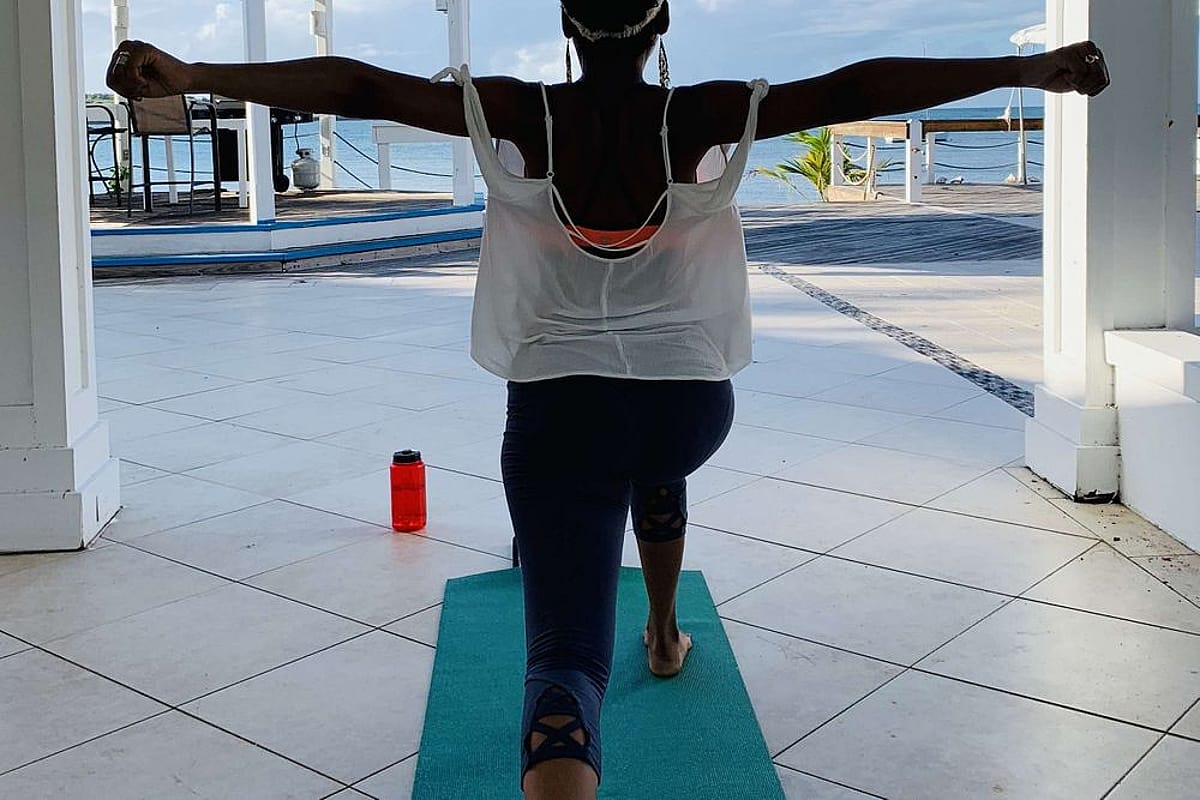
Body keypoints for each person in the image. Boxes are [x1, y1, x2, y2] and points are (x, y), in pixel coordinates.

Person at [106, 3, 1109, 798]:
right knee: (650, 455)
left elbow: (360, 84)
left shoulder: (524, 112)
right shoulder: (699, 113)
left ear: (566, 24)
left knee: (565, 660)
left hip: (562, 414)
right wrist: (1027, 71)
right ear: (659, 22)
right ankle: (664, 634)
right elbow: (859, 86)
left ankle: (613, 670)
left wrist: (194, 73)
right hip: (689, 408)